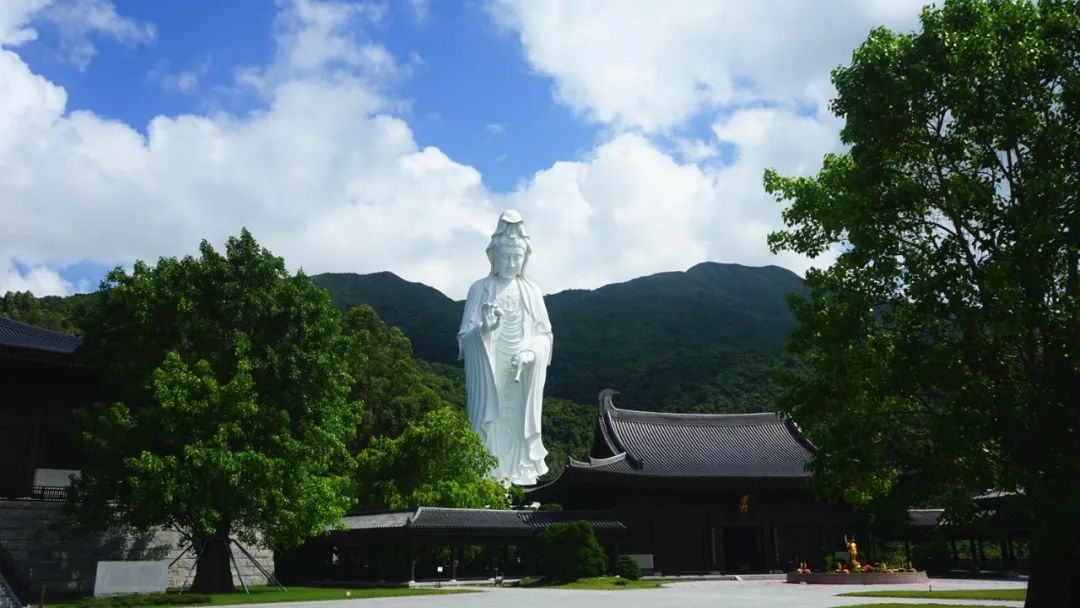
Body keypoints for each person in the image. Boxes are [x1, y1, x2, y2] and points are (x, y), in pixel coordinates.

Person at [458, 211, 552, 485]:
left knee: (518, 426)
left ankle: (522, 479)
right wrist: (484, 330)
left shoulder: (532, 291)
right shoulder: (480, 289)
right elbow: (465, 338)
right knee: (493, 425)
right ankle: (488, 479)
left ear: (525, 258)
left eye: (517, 257)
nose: (511, 262)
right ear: (493, 257)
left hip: (521, 376)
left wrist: (531, 352)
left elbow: (544, 334)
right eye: (505, 256)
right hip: (490, 370)